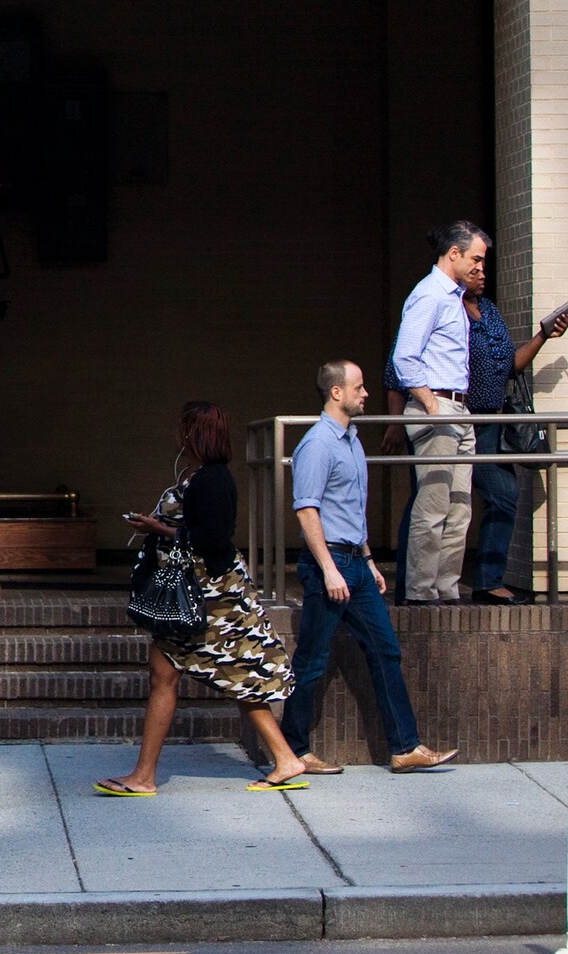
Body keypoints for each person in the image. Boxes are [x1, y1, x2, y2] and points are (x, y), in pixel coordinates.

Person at [95, 402, 304, 797]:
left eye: (182, 428)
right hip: (214, 596)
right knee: (234, 674)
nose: (177, 435)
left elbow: (213, 539)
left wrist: (160, 527)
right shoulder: (209, 476)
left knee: (169, 673)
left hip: (210, 598)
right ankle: (285, 758)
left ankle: (143, 776)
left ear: (193, 434)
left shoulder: (211, 480)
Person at [281, 362, 457, 775]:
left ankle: (405, 747)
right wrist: (328, 569)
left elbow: (350, 511)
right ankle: (293, 749)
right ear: (336, 393)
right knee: (312, 659)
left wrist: (369, 561)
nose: (366, 395)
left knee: (385, 651)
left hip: (355, 564)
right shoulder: (318, 444)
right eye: (359, 388)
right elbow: (307, 510)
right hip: (331, 565)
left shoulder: (351, 441)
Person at [390, 222, 485, 604]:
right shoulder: (430, 294)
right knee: (432, 507)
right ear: (455, 254)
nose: (480, 266)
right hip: (439, 405)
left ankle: (445, 590)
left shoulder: (454, 298)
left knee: (459, 509)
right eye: (475, 258)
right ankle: (420, 593)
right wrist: (430, 404)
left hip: (458, 407)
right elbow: (404, 356)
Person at [458, 258, 562, 604]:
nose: (482, 275)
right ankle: (475, 583)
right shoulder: (447, 311)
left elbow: (510, 366)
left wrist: (543, 335)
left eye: (484, 269)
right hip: (461, 418)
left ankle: (488, 580)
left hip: (493, 420)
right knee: (494, 495)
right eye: (475, 269)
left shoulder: (488, 310)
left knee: (504, 495)